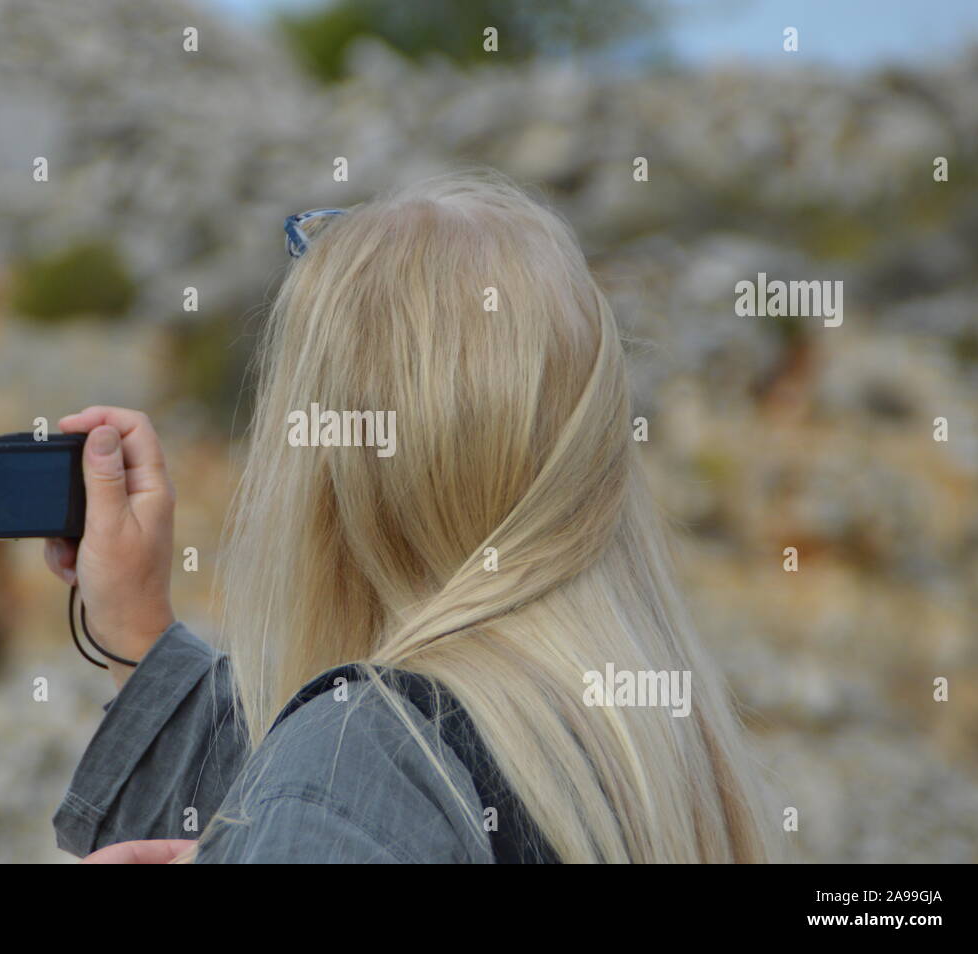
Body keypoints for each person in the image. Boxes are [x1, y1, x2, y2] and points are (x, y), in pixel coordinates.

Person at [44, 170, 775, 863]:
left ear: (338, 466)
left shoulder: (360, 756)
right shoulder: (652, 740)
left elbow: (344, 798)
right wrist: (136, 631)